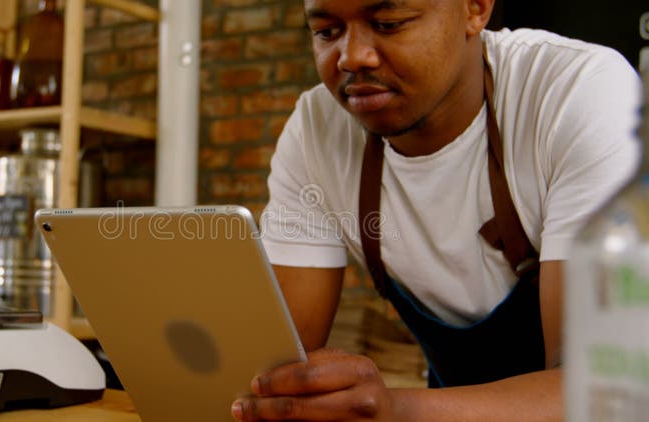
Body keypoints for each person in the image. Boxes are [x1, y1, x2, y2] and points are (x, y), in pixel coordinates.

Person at [231, 0, 642, 420]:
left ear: (475, 9)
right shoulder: (316, 132)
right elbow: (268, 373)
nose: (352, 56)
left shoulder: (580, 92)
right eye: (327, 32)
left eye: (388, 24)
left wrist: (396, 409)